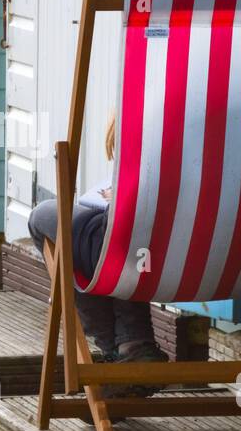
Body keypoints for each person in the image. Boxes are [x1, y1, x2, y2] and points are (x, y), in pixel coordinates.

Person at [26, 113, 167, 399]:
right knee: (120, 243)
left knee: (46, 218)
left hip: (134, 250)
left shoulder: (154, 113)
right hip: (227, 271)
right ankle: (133, 346)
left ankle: (118, 352)